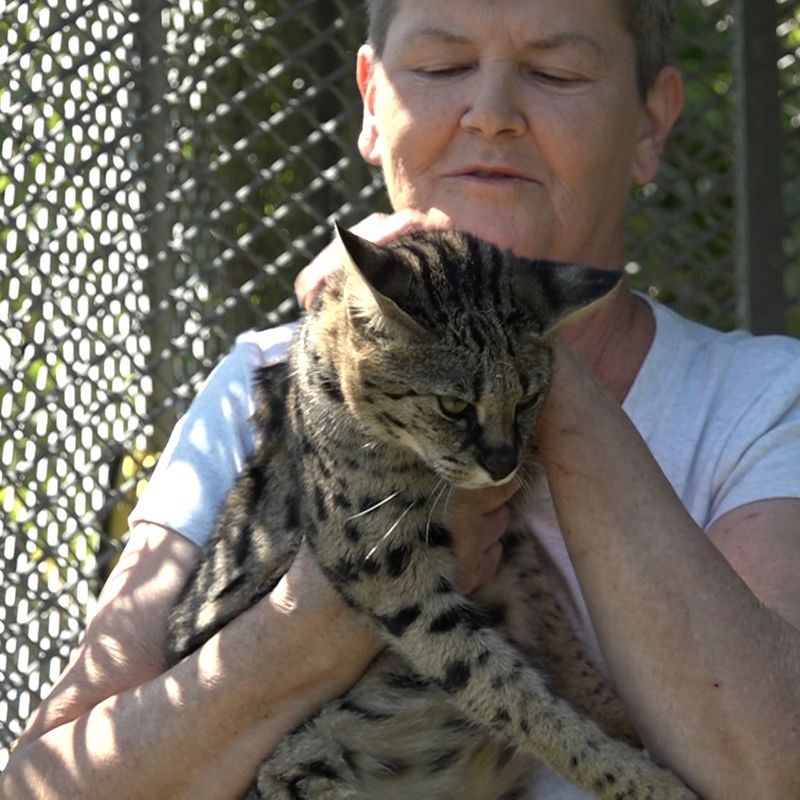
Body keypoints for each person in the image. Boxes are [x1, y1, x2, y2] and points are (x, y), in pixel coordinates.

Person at [3, 0, 800, 797]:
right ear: (372, 105)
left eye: (556, 73)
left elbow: (773, 770)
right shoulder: (258, 381)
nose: (491, 116)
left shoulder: (763, 400)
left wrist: (538, 366)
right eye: (442, 68)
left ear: (651, 125)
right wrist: (324, 612)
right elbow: (45, 784)